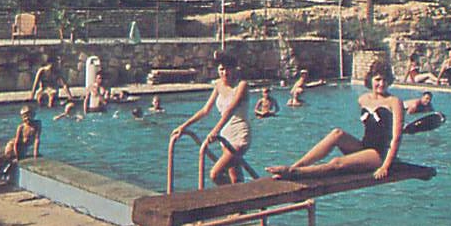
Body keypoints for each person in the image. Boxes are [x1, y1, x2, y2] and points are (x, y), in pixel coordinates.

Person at [266, 60, 404, 181]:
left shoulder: (394, 102)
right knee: (337, 133)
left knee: (337, 162)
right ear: (371, 80)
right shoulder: (363, 99)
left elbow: (396, 138)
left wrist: (385, 166)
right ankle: (297, 165)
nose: (381, 84)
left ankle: (295, 173)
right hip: (364, 147)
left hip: (380, 154)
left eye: (385, 80)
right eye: (378, 79)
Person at [171, 51, 251, 185]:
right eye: (221, 69)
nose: (225, 73)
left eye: (228, 69)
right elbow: (205, 110)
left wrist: (215, 130)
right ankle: (239, 200)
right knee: (235, 179)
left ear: (234, 70)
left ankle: (234, 199)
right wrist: (183, 126)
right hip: (226, 136)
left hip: (239, 135)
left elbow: (231, 110)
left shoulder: (242, 85)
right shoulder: (218, 85)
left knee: (215, 174)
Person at [0, 105, 42, 184]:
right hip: (13, 145)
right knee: (8, 159)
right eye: (24, 117)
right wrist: (17, 154)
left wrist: (36, 152)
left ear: (34, 115)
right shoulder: (21, 127)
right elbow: (17, 142)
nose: (27, 119)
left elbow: (37, 139)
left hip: (23, 147)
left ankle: (6, 175)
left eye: (29, 116)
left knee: (14, 161)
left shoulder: (37, 124)